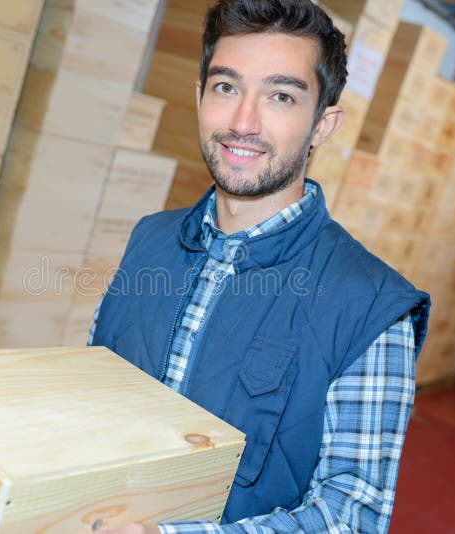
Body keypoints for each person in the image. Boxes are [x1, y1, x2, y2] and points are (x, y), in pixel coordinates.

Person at [89, 1, 431, 532]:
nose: (243, 122)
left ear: (323, 124)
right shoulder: (149, 241)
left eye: (280, 96)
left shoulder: (372, 307)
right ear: (199, 97)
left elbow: (350, 517)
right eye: (226, 87)